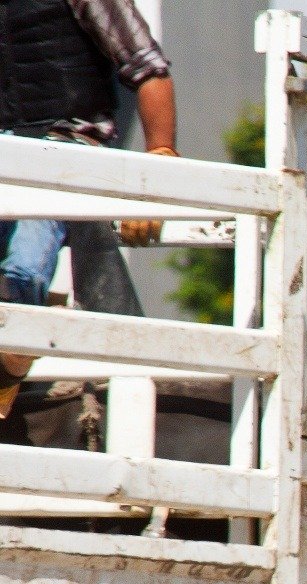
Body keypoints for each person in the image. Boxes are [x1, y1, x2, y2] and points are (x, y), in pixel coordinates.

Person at [0, 0, 180, 418]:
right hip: (8, 156)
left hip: (66, 151)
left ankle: (16, 325)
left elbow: (149, 70)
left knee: (31, 233)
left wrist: (159, 162)